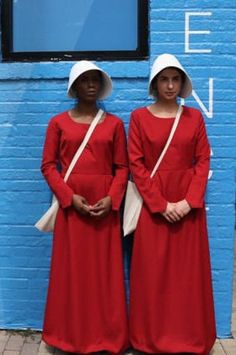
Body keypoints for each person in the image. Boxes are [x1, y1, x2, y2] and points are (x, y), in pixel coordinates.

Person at [128, 53, 216, 354]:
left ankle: (189, 337)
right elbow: (136, 165)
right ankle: (150, 338)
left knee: (187, 276)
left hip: (188, 208)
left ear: (182, 83)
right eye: (164, 79)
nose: (169, 85)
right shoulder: (139, 117)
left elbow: (203, 160)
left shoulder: (194, 118)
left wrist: (189, 201)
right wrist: (161, 204)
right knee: (152, 274)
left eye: (175, 79)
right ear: (155, 83)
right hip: (154, 208)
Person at [41, 60, 129, 354]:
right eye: (85, 80)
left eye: (95, 80)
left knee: (104, 274)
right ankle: (69, 336)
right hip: (72, 208)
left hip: (104, 208)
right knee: (72, 273)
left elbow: (122, 167)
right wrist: (68, 197)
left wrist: (112, 199)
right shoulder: (58, 123)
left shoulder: (115, 124)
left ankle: (105, 336)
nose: (91, 84)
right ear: (74, 86)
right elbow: (48, 166)